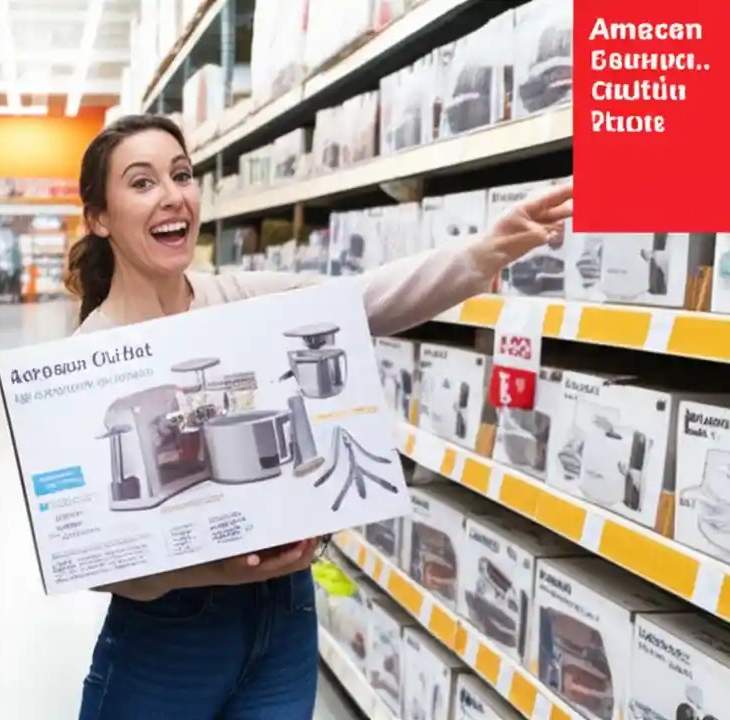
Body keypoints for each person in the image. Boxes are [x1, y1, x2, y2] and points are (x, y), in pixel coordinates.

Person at [65, 114, 573, 720]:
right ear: (99, 217)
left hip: (286, 619)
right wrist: (215, 570)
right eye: (142, 183)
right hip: (170, 640)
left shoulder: (240, 299)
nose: (173, 196)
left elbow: (363, 301)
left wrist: (484, 251)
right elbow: (108, 567)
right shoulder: (90, 362)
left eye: (182, 175)